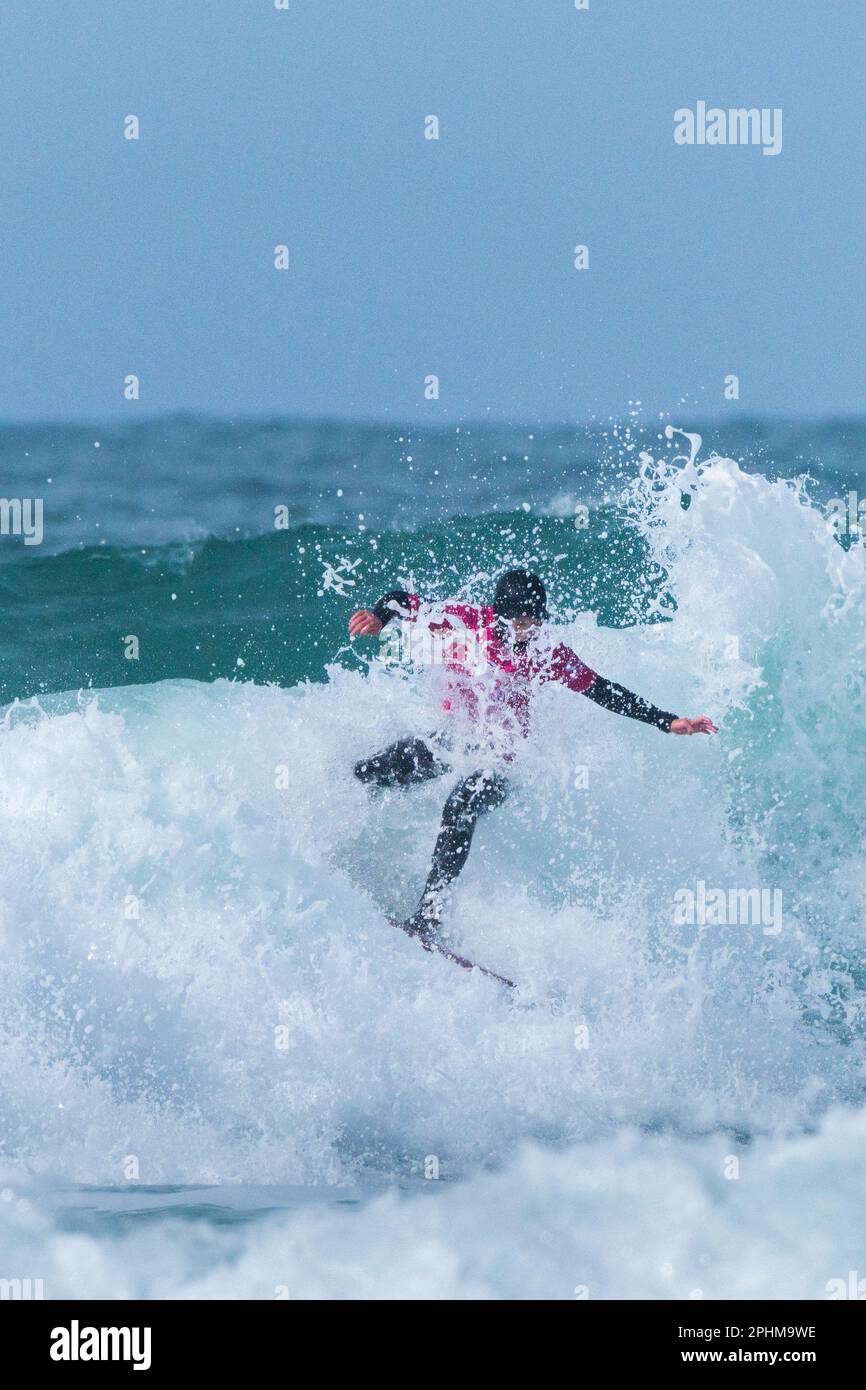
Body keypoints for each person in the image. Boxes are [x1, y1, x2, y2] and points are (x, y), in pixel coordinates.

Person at [349, 569, 717, 938]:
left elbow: (604, 691)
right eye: (521, 623)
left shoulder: (548, 654)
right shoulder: (464, 622)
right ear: (499, 616)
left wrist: (668, 721)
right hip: (455, 738)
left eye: (534, 622)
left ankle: (429, 916)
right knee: (372, 772)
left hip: (504, 758)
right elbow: (403, 602)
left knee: (461, 802)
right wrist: (379, 617)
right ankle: (352, 852)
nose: (528, 632)